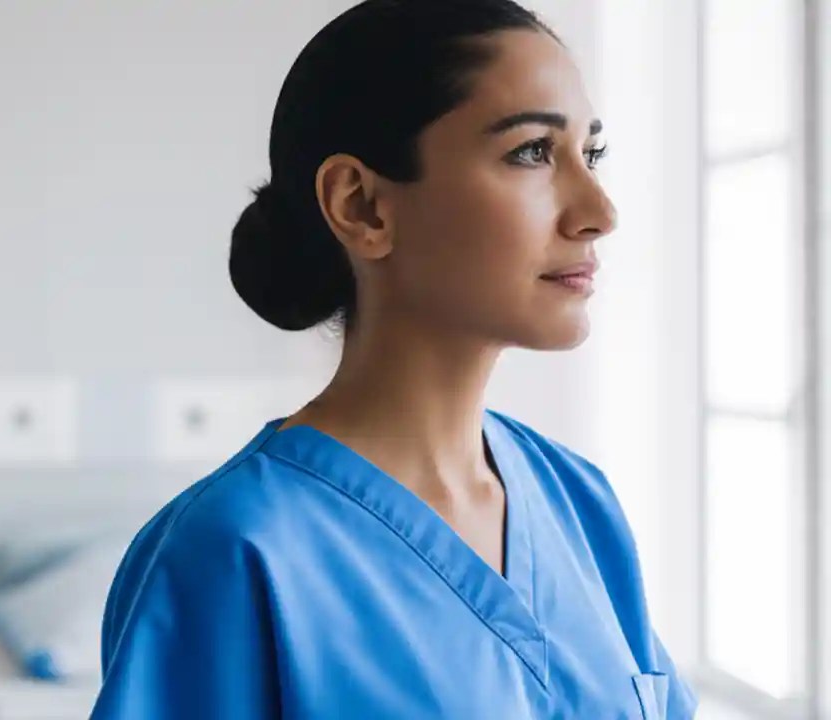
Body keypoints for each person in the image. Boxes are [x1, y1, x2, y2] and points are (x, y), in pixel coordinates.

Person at [89, 1, 697, 717]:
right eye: (532, 151)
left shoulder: (580, 503)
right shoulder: (234, 551)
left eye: (590, 154)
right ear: (363, 206)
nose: (599, 211)